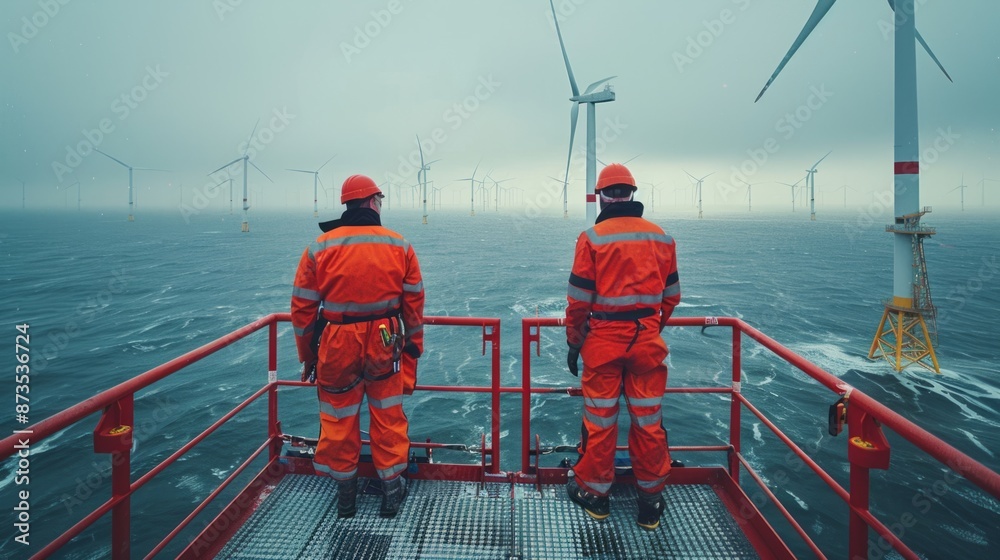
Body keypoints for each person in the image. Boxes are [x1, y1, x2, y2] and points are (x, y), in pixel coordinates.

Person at [291, 174, 424, 519]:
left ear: (347, 204)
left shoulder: (319, 247)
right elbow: (414, 307)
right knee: (388, 416)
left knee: (338, 419)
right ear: (371, 201)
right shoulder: (400, 245)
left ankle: (346, 495)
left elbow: (303, 311)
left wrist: (308, 357)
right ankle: (391, 492)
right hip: (385, 340)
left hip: (336, 343)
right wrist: (412, 349)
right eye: (380, 199)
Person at [564, 163, 680, 530]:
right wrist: (649, 327)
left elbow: (579, 301)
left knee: (600, 423)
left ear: (601, 195)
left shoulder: (593, 238)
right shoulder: (662, 238)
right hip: (646, 343)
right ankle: (650, 503)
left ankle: (596, 496)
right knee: (648, 423)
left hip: (602, 345)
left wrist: (574, 342)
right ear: (632, 192)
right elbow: (673, 296)